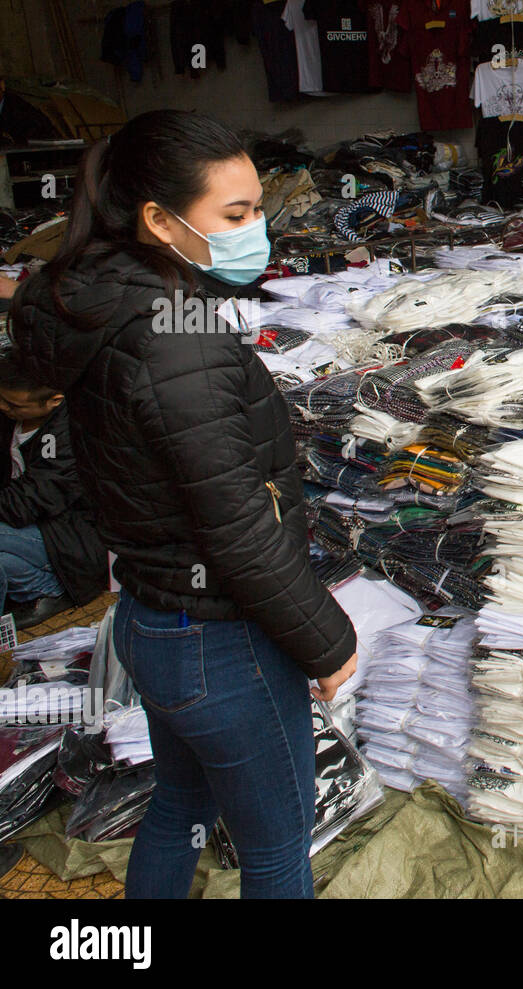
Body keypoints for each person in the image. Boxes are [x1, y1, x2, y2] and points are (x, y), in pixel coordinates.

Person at [9, 110, 357, 899]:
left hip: (153, 617)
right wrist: (326, 639)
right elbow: (237, 524)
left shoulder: (117, 308)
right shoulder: (178, 337)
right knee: (276, 849)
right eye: (233, 217)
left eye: (257, 209)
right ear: (159, 220)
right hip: (220, 638)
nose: (255, 231)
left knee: (179, 808)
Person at [0, 355, 106, 628]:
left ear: (55, 400)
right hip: (31, 528)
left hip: (70, 537)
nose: (3, 407)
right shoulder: (10, 418)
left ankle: (58, 584)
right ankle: (46, 588)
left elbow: (29, 501)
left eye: (13, 405)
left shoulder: (71, 432)